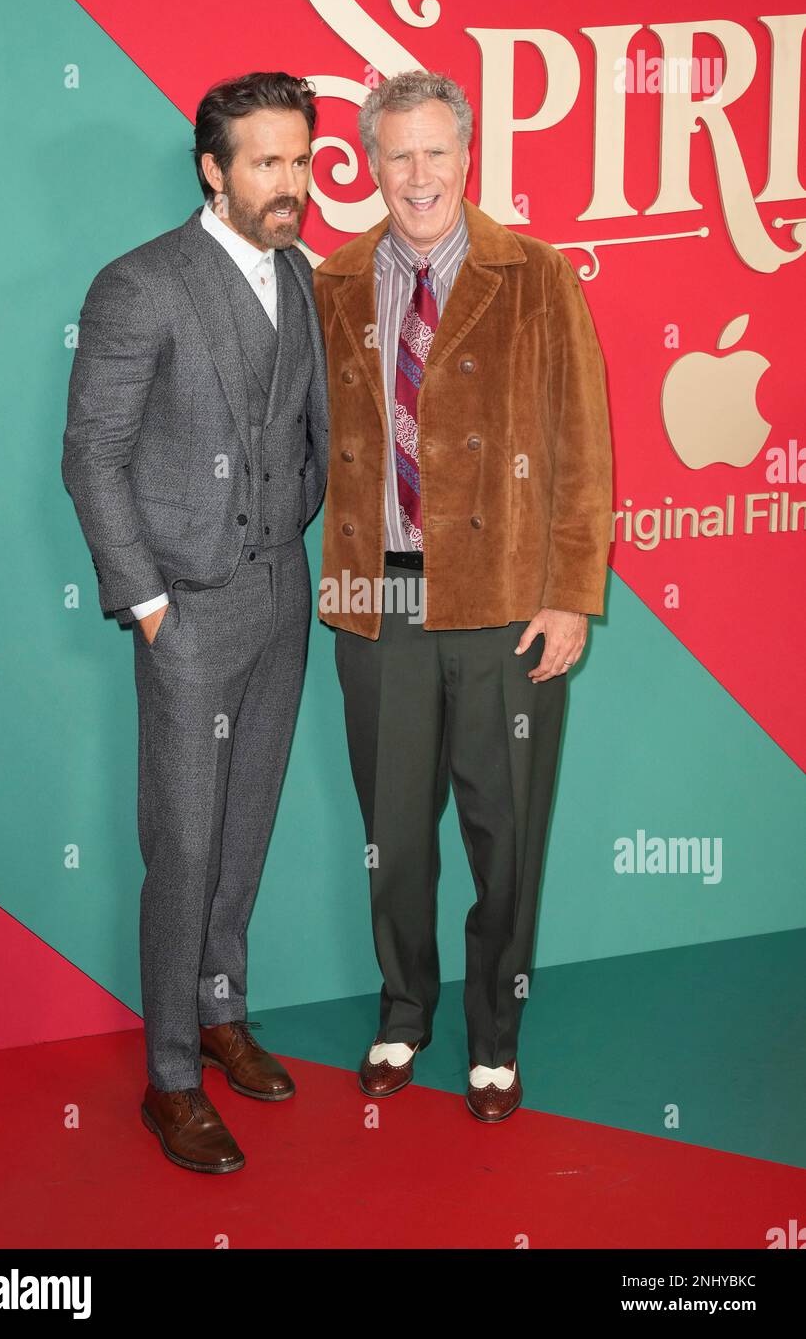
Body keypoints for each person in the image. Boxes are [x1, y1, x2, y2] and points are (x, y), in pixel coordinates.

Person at [312, 69, 612, 1123]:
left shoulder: (533, 274)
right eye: (398, 154)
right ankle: (403, 1011)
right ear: (371, 165)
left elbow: (580, 450)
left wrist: (570, 593)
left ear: (467, 156)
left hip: (503, 613)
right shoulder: (333, 282)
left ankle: (495, 1033)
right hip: (377, 607)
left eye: (436, 151)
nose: (419, 174)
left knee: (504, 835)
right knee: (393, 838)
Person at [62, 72, 328, 1172]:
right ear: (212, 170)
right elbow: (92, 457)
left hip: (280, 597)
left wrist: (296, 521)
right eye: (265, 162)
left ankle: (222, 1012)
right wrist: (152, 604)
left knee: (244, 824)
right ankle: (170, 1075)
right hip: (188, 612)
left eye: (301, 161)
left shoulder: (301, 273)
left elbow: (304, 423)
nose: (289, 185)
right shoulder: (139, 285)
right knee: (181, 843)